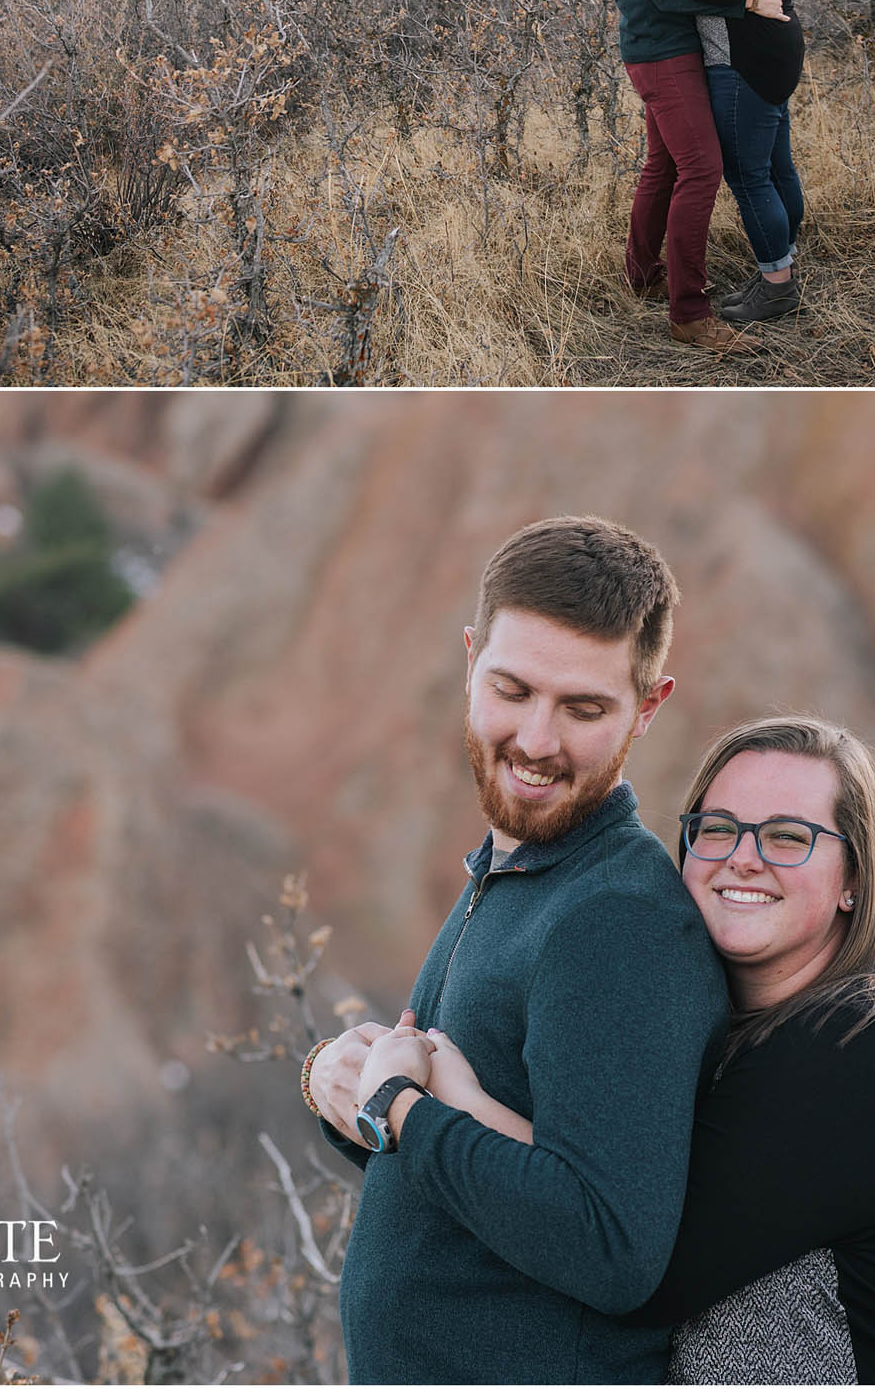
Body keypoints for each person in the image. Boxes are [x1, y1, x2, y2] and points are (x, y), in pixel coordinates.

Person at [420, 717, 875, 1385]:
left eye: (789, 836)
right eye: (718, 827)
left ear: (854, 879)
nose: (743, 857)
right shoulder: (716, 1029)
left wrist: (445, 1104)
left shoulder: (861, 1047)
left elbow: (630, 1260)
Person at [302, 516, 729, 1384]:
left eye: (584, 709)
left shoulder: (617, 921)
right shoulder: (517, 873)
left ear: (648, 708)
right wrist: (339, 1087)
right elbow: (481, 1170)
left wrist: (403, 1113)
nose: (537, 741)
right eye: (512, 690)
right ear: (469, 662)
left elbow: (611, 1246)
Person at [597, 0, 785, 355]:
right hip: (663, 53)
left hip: (671, 51)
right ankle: (691, 314)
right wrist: (745, 3)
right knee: (701, 171)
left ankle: (643, 272)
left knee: (664, 167)